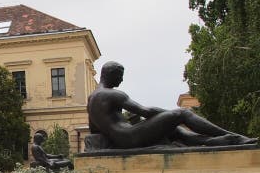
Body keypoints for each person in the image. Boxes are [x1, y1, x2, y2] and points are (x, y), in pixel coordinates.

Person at [87, 61, 256, 149]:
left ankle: (219, 141)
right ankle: (232, 136)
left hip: (123, 137)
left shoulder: (91, 99)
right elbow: (146, 111)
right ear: (111, 74)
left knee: (176, 131)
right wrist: (171, 115)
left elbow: (95, 131)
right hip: (130, 137)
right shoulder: (113, 94)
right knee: (182, 114)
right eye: (120, 75)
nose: (121, 79)